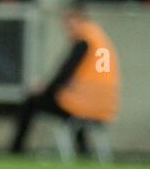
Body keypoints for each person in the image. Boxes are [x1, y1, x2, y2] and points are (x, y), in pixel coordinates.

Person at [10, 8, 119, 155]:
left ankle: (15, 150)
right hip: (104, 106)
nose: (66, 27)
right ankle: (83, 153)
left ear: (80, 19)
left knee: (31, 102)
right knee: (73, 109)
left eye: (69, 22)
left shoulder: (84, 41)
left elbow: (64, 74)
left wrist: (44, 89)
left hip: (84, 105)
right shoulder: (99, 39)